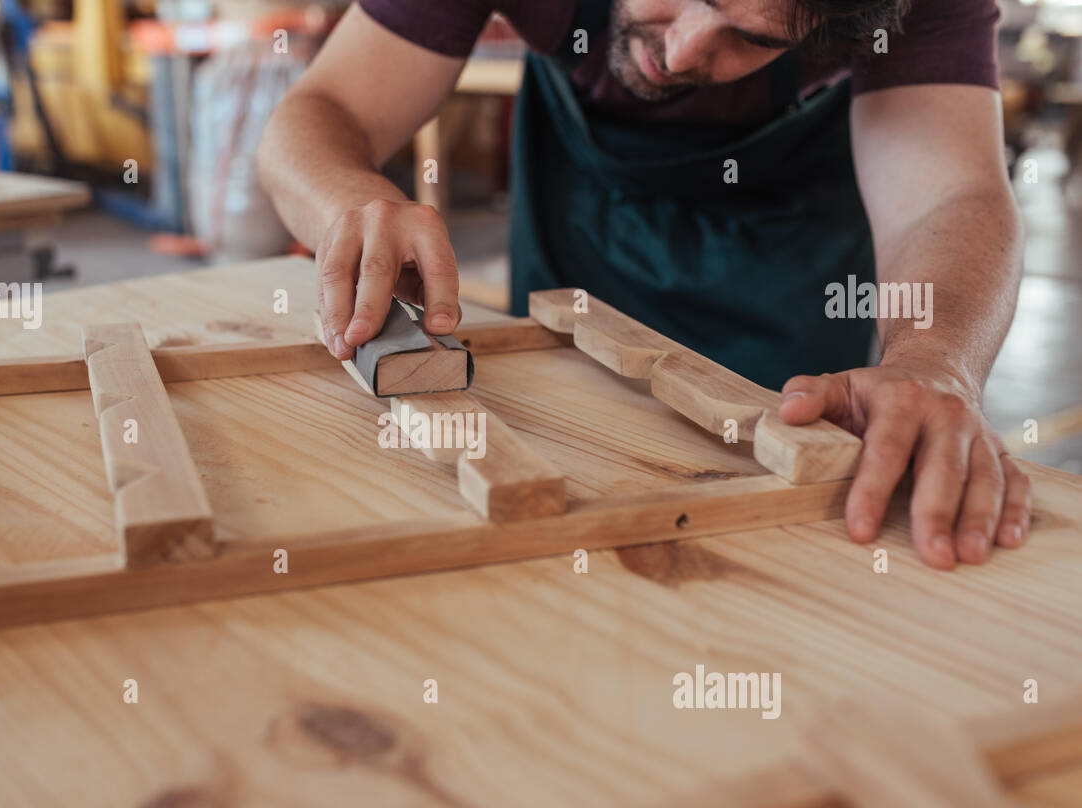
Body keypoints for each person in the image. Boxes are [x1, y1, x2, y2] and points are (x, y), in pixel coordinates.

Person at [257, 0, 1031, 570]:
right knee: (555, 499)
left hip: (787, 224)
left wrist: (935, 360)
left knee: (792, 529)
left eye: (752, 37)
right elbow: (324, 108)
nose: (687, 50)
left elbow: (950, 195)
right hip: (581, 194)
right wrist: (345, 200)